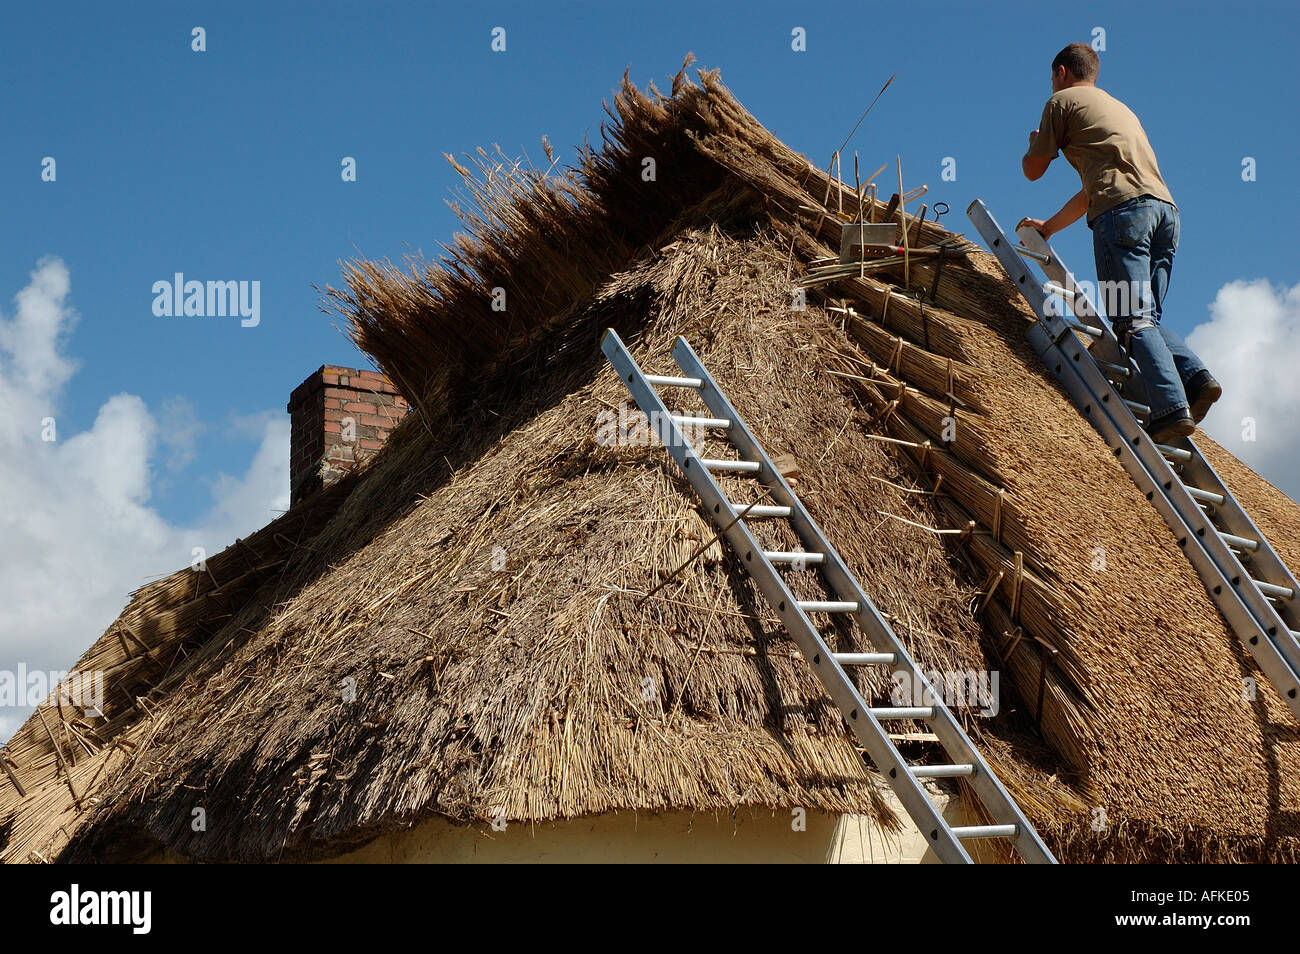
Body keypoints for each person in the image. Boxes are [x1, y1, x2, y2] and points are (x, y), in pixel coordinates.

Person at [1018, 42, 1220, 442]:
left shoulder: (1062, 102)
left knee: (1130, 320)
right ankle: (1197, 379)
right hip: (1164, 213)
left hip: (1123, 216)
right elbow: (1093, 192)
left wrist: (1035, 143)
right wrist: (1051, 227)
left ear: (1061, 72)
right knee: (1147, 319)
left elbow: (1033, 171)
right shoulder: (1118, 110)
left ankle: (1171, 408)